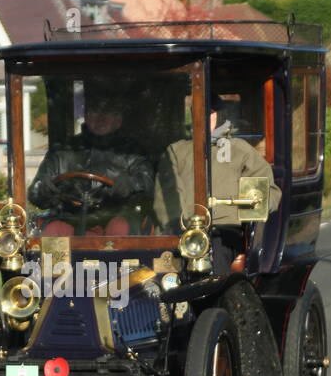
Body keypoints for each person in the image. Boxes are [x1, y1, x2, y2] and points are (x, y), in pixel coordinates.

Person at [153, 92, 281, 272]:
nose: (202, 118)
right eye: (197, 112)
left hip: (223, 230)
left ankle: (218, 298)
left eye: (209, 113)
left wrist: (254, 203)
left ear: (219, 115)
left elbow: (269, 191)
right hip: (183, 230)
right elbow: (167, 192)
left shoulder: (239, 150)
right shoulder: (177, 150)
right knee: (157, 270)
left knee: (214, 259)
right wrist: (179, 224)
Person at [29, 92, 154, 236]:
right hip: (70, 218)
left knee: (120, 228)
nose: (101, 118)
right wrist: (44, 189)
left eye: (107, 112)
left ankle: (121, 259)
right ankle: (56, 259)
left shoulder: (133, 152)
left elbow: (148, 184)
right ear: (86, 116)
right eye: (94, 112)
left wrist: (131, 184)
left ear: (118, 119)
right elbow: (35, 192)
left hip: (115, 216)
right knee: (54, 229)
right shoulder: (62, 152)